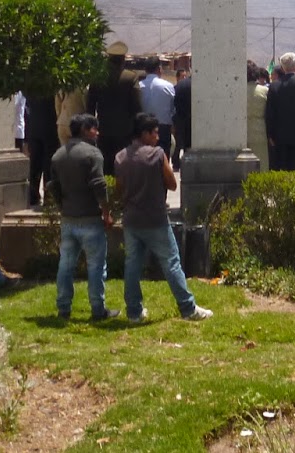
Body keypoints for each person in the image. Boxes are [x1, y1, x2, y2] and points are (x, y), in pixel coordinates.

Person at [116, 113, 212, 322]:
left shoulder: (120, 157)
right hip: (155, 218)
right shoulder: (157, 155)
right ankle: (188, 308)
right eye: (155, 133)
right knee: (171, 262)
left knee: (132, 265)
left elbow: (119, 189)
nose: (157, 138)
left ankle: (134, 311)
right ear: (145, 134)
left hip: (131, 219)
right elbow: (172, 184)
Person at [48, 113, 116, 320]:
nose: (97, 132)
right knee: (96, 266)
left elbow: (53, 186)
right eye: (94, 128)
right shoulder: (93, 154)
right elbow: (99, 185)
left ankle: (63, 308)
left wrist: (62, 206)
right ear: (86, 130)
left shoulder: (58, 155)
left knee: (65, 266)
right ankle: (98, 309)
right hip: (90, 218)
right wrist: (106, 211)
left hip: (68, 218)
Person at [91, 42, 143, 174]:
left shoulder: (97, 77)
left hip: (104, 130)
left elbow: (90, 106)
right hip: (125, 132)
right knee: (124, 168)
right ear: (123, 59)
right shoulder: (130, 77)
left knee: (106, 167)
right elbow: (137, 107)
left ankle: (109, 192)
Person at [138, 57, 177, 166]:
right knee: (163, 160)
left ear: (145, 70)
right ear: (159, 69)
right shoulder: (168, 86)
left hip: (143, 128)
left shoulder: (139, 86)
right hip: (163, 128)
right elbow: (173, 108)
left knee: (144, 160)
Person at [25, 94, 59, 207]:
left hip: (34, 127)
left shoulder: (32, 87)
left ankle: (33, 195)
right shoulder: (52, 89)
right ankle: (48, 197)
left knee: (35, 164)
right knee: (48, 164)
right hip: (50, 127)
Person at [246, 60, 270, 171]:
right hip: (260, 131)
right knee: (261, 166)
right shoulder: (265, 91)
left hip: (240, 132)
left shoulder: (236, 92)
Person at [173, 69, 192, 168]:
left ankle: (177, 163)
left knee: (179, 143)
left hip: (180, 120)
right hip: (191, 121)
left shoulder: (180, 86)